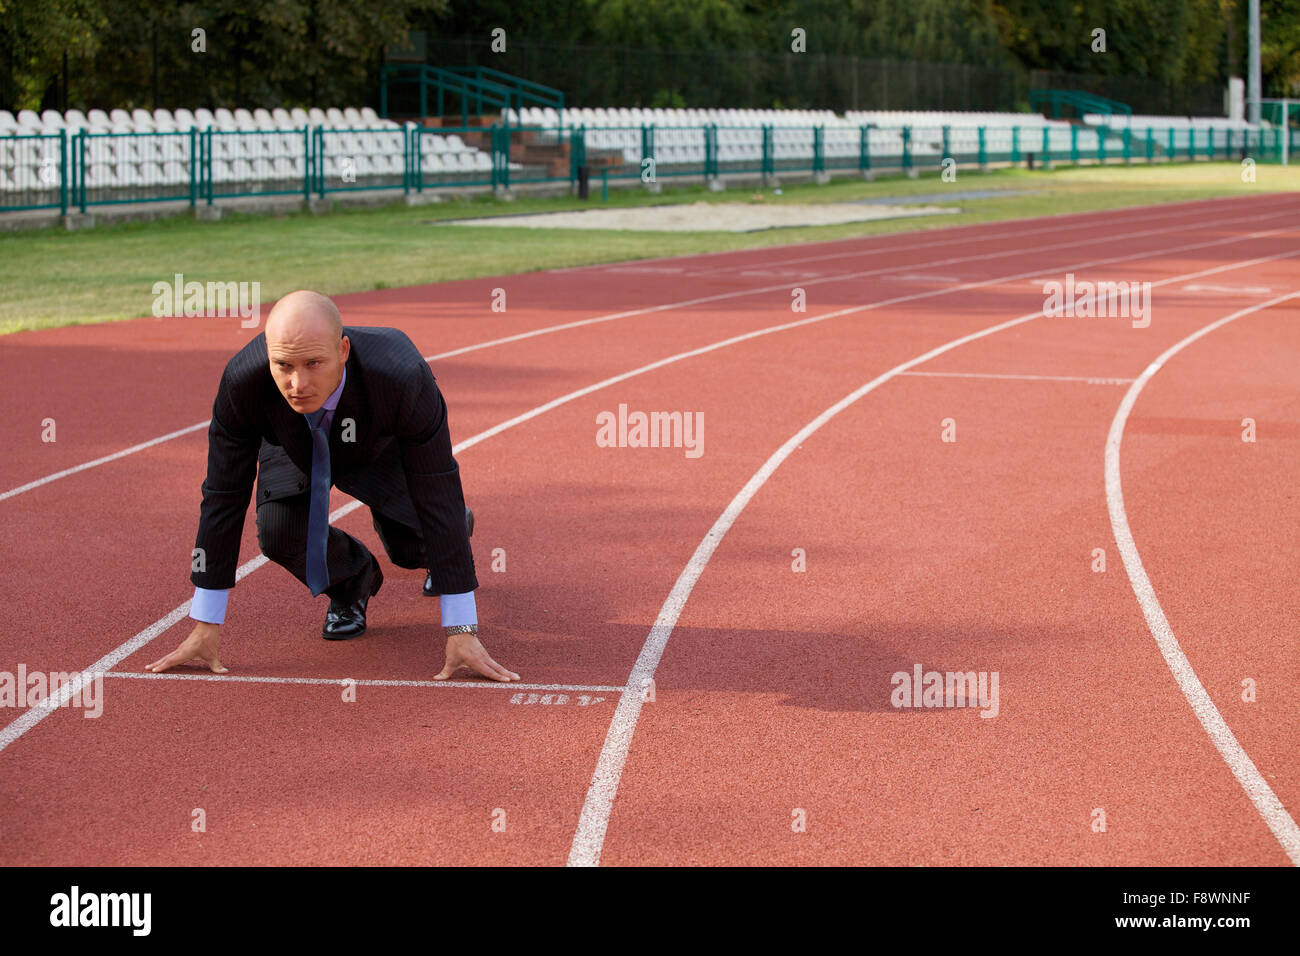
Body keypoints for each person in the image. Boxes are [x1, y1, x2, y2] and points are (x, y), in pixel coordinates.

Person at [147, 290, 519, 682]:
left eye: (313, 364)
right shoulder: (243, 382)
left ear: (343, 350)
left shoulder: (402, 375)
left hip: (376, 444)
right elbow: (224, 494)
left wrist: (461, 629)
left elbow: (437, 487)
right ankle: (351, 581)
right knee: (277, 531)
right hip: (292, 442)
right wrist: (206, 623)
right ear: (268, 354)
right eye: (283, 365)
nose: (297, 383)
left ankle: (449, 534)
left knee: (412, 547)